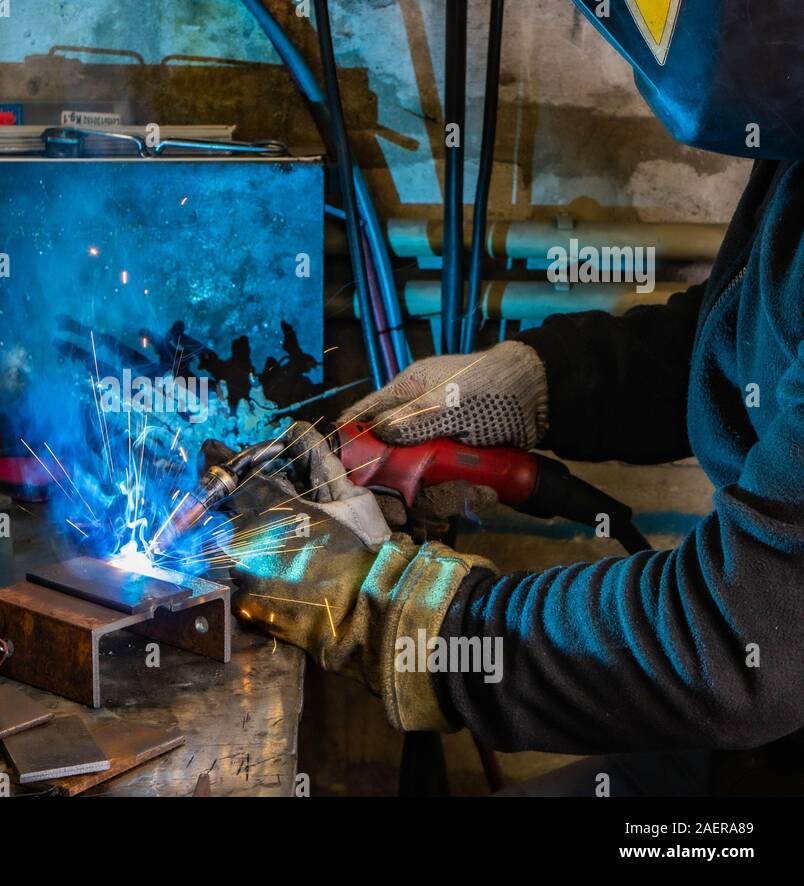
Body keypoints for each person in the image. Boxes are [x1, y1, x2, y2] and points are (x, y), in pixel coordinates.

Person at [221, 0, 804, 795]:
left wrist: (390, 613)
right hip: (746, 733)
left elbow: (739, 641)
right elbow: (753, 334)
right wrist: (535, 383)